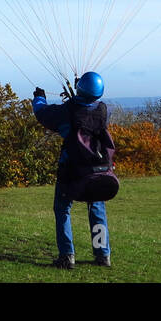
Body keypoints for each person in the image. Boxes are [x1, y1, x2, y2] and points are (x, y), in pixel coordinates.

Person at [33, 71, 116, 269]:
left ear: (80, 89)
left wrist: (39, 98)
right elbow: (87, 107)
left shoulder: (66, 112)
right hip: (98, 170)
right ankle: (103, 255)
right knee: (96, 210)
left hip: (72, 170)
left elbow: (42, 113)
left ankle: (67, 256)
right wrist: (80, 93)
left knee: (62, 210)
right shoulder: (104, 111)